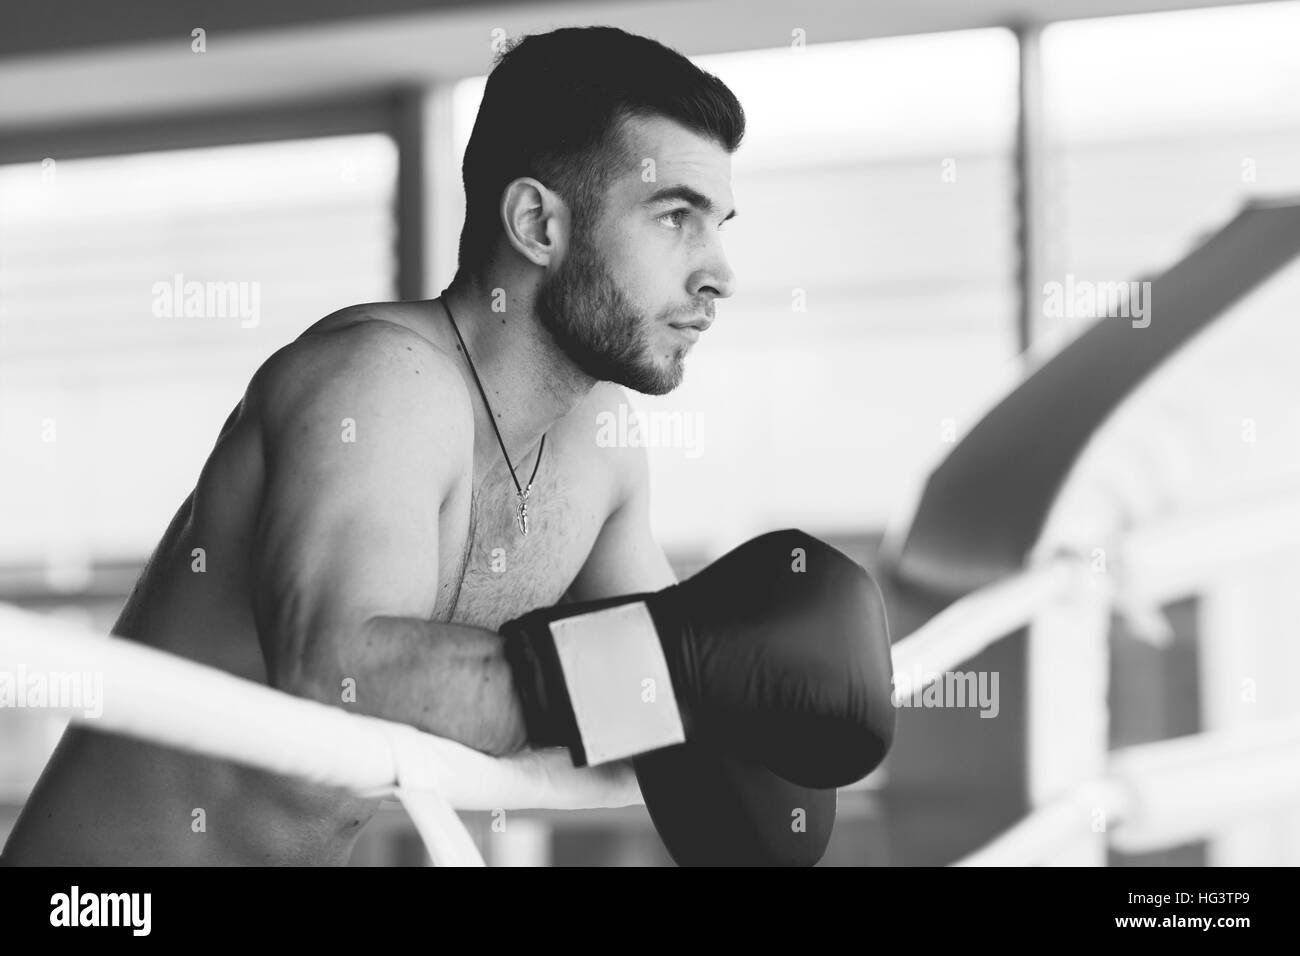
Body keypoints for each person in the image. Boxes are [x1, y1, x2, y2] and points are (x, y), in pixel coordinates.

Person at [4, 26, 892, 866]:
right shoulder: (382, 382)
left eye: (719, 225)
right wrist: (678, 672)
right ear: (539, 225)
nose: (719, 273)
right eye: (674, 216)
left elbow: (707, 763)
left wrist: (718, 691)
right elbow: (335, 672)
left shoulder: (600, 452)